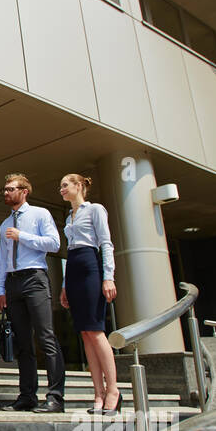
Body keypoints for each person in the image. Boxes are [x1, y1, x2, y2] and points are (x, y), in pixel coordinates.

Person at [0, 173, 65, 412]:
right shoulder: (5, 224)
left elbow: (54, 244)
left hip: (35, 277)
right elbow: (3, 260)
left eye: (10, 189)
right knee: (23, 343)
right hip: (13, 284)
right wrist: (0, 289)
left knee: (46, 338)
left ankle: (55, 397)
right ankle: (27, 396)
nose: (6, 193)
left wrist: (22, 236)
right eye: (4, 189)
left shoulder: (40, 214)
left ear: (24, 191)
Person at [59, 173, 121, 414]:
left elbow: (106, 243)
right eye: (60, 186)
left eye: (65, 185)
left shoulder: (95, 209)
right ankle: (98, 393)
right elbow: (69, 252)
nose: (61, 190)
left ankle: (113, 389)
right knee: (84, 333)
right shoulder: (68, 216)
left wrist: (108, 276)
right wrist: (65, 284)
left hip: (90, 266)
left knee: (95, 331)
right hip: (73, 268)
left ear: (78, 186)